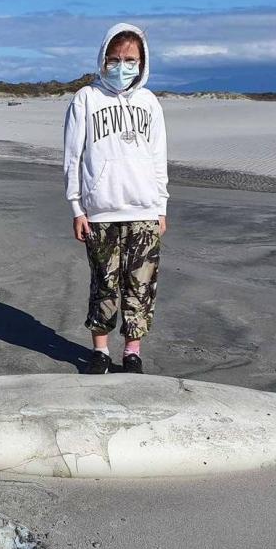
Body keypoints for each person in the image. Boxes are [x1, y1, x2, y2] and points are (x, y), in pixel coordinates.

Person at [62, 23, 169, 375]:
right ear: (103, 58)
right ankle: (101, 350)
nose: (122, 66)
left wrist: (161, 206)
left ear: (142, 62)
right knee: (104, 282)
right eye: (115, 58)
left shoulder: (149, 102)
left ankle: (132, 352)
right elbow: (73, 157)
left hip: (144, 209)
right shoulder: (86, 99)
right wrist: (78, 207)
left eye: (130, 60)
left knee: (140, 284)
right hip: (100, 211)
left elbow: (158, 156)